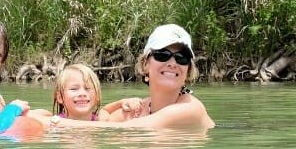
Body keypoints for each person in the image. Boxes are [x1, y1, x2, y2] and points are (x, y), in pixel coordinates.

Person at [51, 24, 215, 131]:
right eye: (162, 54)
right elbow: (98, 120)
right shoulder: (136, 110)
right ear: (145, 64)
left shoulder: (191, 109)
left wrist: (57, 124)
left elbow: (130, 129)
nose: (172, 62)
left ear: (188, 69)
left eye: (182, 57)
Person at [26, 63, 111, 126]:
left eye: (88, 89)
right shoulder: (53, 119)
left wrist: (121, 103)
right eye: (74, 89)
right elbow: (28, 115)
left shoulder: (102, 119)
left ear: (97, 96)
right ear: (60, 97)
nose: (82, 94)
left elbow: (106, 110)